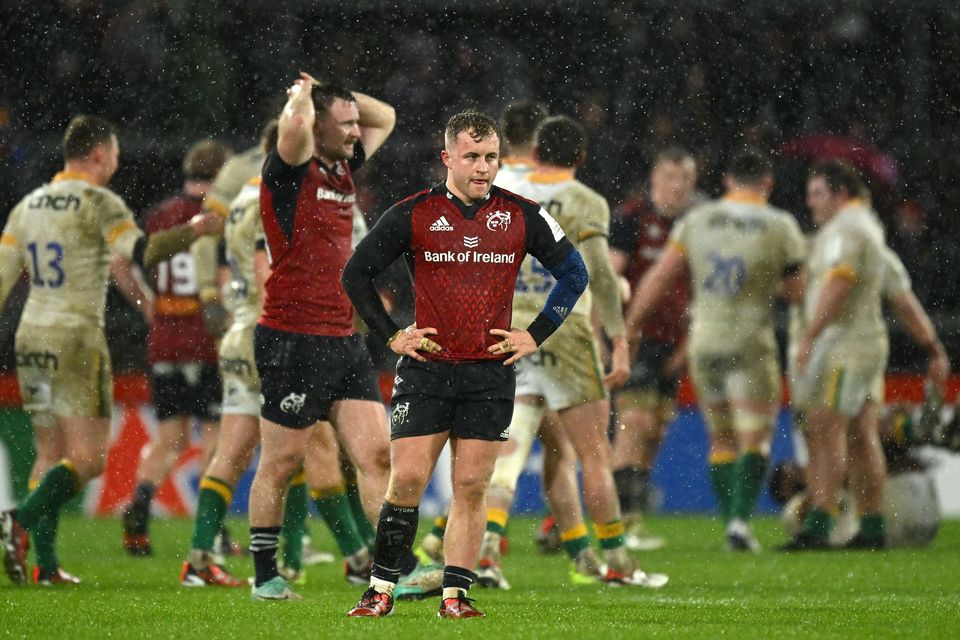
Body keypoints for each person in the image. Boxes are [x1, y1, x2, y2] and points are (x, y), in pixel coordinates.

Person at [341, 110, 588, 619]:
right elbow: (356, 273)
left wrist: (533, 333)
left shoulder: (523, 214)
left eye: (491, 157)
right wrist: (392, 335)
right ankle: (381, 590)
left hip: (489, 373)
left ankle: (455, 597)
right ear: (447, 157)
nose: (482, 167)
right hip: (427, 370)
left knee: (472, 487)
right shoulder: (414, 212)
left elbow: (574, 273)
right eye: (471, 157)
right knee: (406, 480)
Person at [0, 115, 222, 585]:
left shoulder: (28, 206)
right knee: (88, 459)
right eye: (116, 154)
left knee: (48, 453)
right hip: (77, 337)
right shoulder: (101, 203)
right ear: (99, 154)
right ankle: (18, 521)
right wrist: (195, 230)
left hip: (31, 336)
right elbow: (145, 252)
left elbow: (2, 279)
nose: (118, 163)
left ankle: (45, 566)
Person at [475, 115, 665, 589]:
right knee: (594, 457)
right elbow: (600, 274)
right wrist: (620, 343)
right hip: (564, 329)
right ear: (581, 158)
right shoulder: (585, 202)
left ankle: (484, 554)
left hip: (510, 329)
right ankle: (619, 562)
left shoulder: (503, 192)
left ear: (535, 150)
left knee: (509, 451)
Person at [247, 73, 395, 601]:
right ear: (318, 127)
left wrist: (345, 97)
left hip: (342, 337)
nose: (358, 132)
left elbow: (386, 117)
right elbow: (292, 132)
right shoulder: (290, 171)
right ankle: (264, 575)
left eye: (356, 124)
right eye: (346, 124)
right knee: (282, 463)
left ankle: (388, 572)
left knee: (377, 456)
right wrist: (302, 101)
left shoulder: (342, 166)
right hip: (291, 337)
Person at [625, 148, 806, 551]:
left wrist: (632, 325)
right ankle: (740, 523)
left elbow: (658, 277)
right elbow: (797, 293)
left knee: (720, 438)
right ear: (768, 184)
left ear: (727, 181)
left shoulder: (698, 220)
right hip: (750, 338)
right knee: (754, 438)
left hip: (705, 340)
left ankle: (730, 524)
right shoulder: (780, 225)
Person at [121, 138, 233, 556]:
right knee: (214, 440)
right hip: (206, 338)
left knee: (169, 438)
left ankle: (140, 507)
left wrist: (146, 305)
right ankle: (214, 533)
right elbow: (220, 279)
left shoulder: (161, 215)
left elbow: (121, 261)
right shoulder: (215, 218)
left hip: (165, 339)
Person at [784, 160, 889, 550]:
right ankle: (873, 527)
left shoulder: (847, 230)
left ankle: (818, 525)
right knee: (862, 434)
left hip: (845, 345)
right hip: (865, 341)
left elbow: (841, 280)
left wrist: (810, 334)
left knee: (824, 428)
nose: (811, 204)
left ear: (840, 192)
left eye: (818, 194)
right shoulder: (868, 226)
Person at [608, 147, 700, 550]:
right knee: (635, 424)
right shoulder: (630, 218)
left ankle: (631, 513)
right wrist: (613, 335)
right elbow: (610, 277)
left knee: (656, 430)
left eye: (685, 180)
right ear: (654, 180)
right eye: (670, 178)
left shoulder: (695, 226)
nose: (677, 187)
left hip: (675, 341)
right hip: (635, 337)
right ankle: (621, 522)